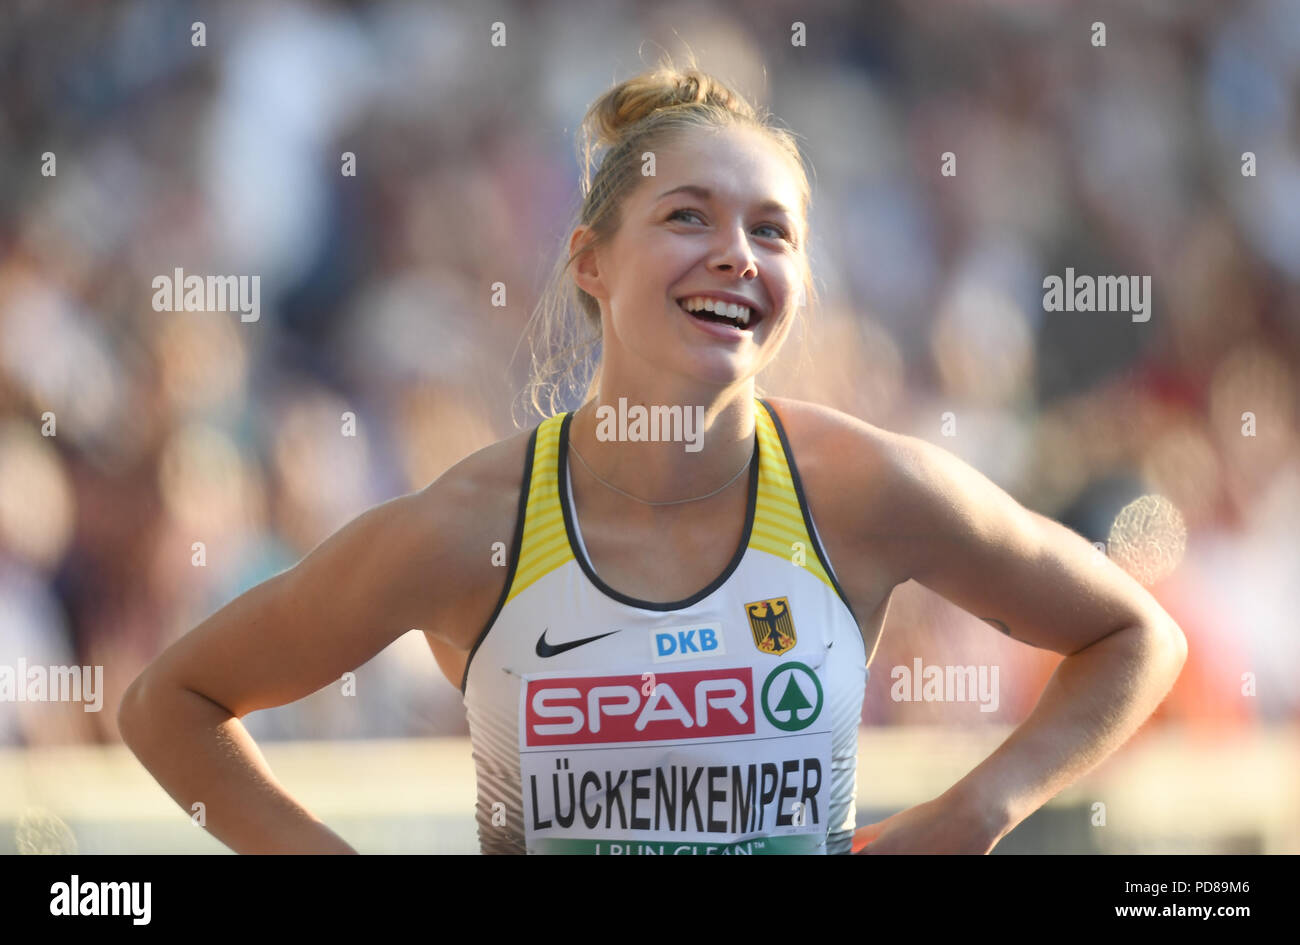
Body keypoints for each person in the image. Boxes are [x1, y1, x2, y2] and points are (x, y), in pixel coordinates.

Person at [117, 62, 1188, 855]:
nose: (736, 252)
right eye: (688, 216)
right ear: (590, 261)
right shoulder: (476, 525)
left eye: (773, 233)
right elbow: (173, 703)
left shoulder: (866, 490)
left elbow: (1134, 635)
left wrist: (973, 811)